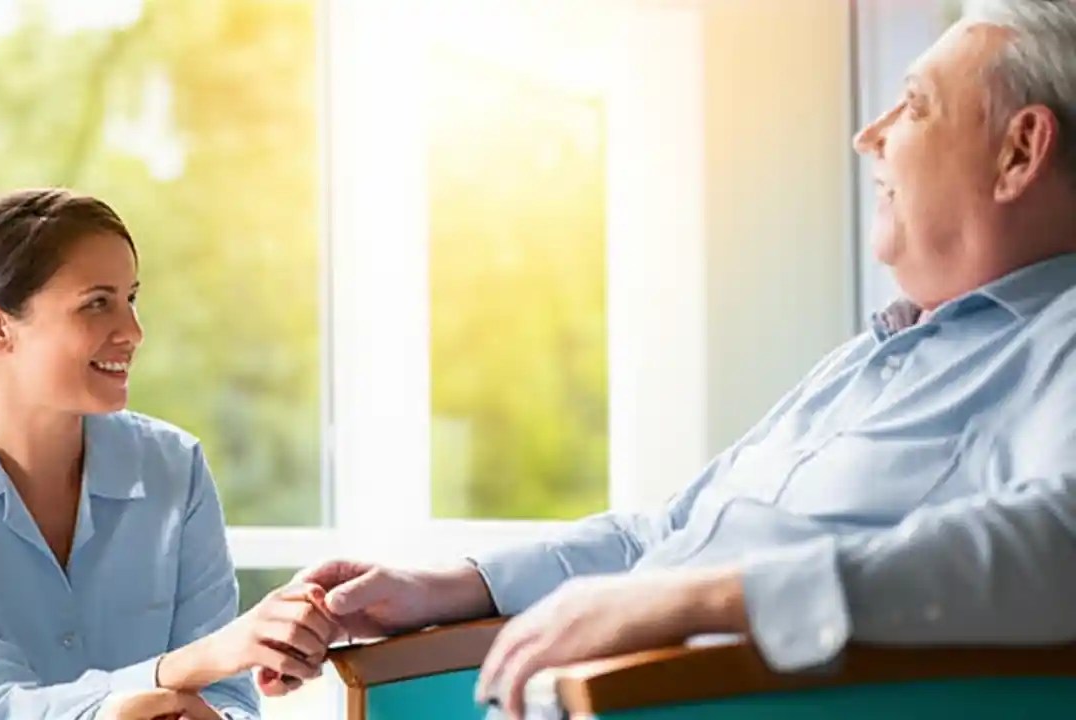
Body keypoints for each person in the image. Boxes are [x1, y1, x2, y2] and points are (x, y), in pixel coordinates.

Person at [293, 2, 1076, 717]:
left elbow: (1061, 541)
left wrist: (698, 601)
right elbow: (671, 529)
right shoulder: (871, 356)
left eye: (917, 104)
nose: (869, 133)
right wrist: (454, 585)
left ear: (1020, 150)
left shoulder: (1059, 338)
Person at [0, 189, 335, 720]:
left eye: (131, 298)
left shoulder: (175, 470)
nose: (132, 332)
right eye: (97, 303)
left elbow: (229, 699)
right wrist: (184, 667)